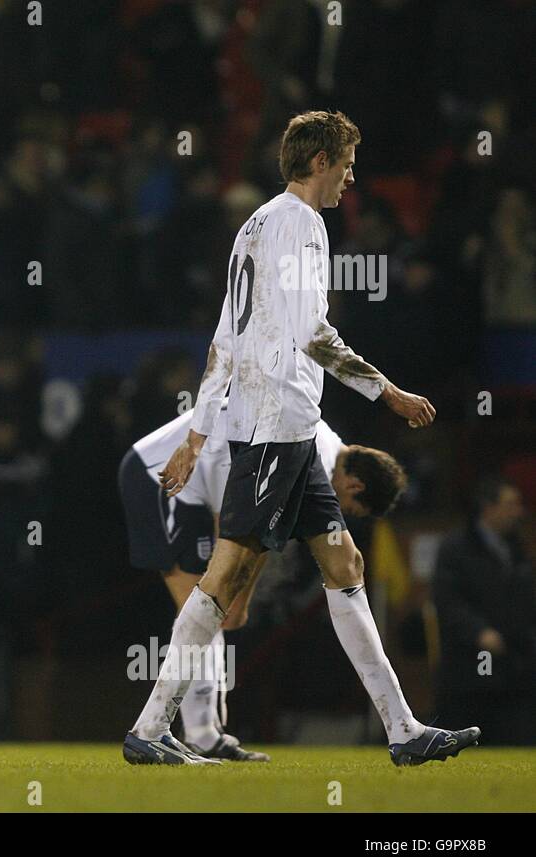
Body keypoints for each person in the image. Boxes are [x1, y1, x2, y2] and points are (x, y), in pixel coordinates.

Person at [123, 110, 479, 767]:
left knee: (345, 565)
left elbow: (224, 340)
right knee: (227, 572)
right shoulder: (304, 226)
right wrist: (387, 390)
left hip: (291, 424)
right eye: (346, 162)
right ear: (319, 160)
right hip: (272, 424)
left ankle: (402, 729)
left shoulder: (254, 225)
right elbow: (313, 333)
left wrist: (199, 434)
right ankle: (149, 726)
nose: (351, 175)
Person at [120, 411, 408, 759]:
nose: (342, 514)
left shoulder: (322, 438)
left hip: (196, 487)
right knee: (198, 605)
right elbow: (242, 518)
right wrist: (236, 594)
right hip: (159, 475)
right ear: (355, 487)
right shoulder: (309, 455)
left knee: (208, 611)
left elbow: (254, 521)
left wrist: (235, 593)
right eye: (351, 510)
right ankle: (187, 734)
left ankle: (202, 734)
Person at [432, 477, 536, 745]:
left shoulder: (517, 550)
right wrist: (479, 632)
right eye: (510, 504)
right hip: (470, 661)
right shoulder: (456, 548)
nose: (518, 512)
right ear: (488, 508)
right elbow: (447, 600)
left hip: (514, 663)